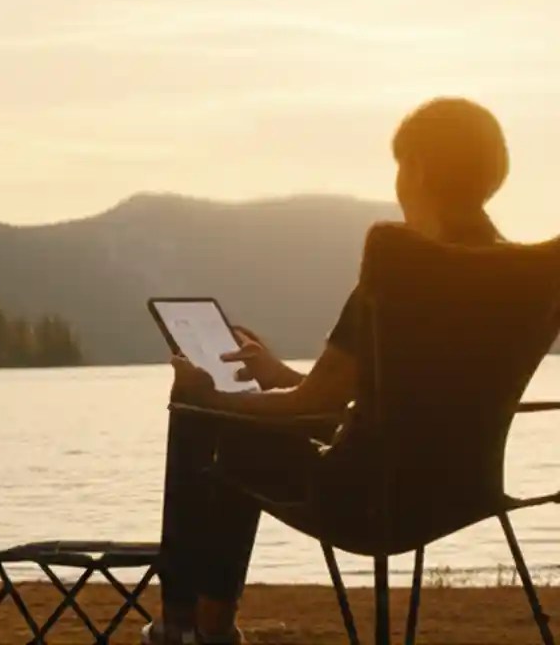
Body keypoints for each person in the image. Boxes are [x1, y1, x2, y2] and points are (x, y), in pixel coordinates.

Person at [141, 97, 511, 645]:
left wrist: (216, 400)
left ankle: (193, 627)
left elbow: (318, 406)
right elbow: (357, 394)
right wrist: (277, 375)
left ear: (421, 170)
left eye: (401, 167)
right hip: (465, 487)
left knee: (204, 415)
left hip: (369, 494)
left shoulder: (400, 264)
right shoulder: (517, 271)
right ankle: (193, 625)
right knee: (226, 413)